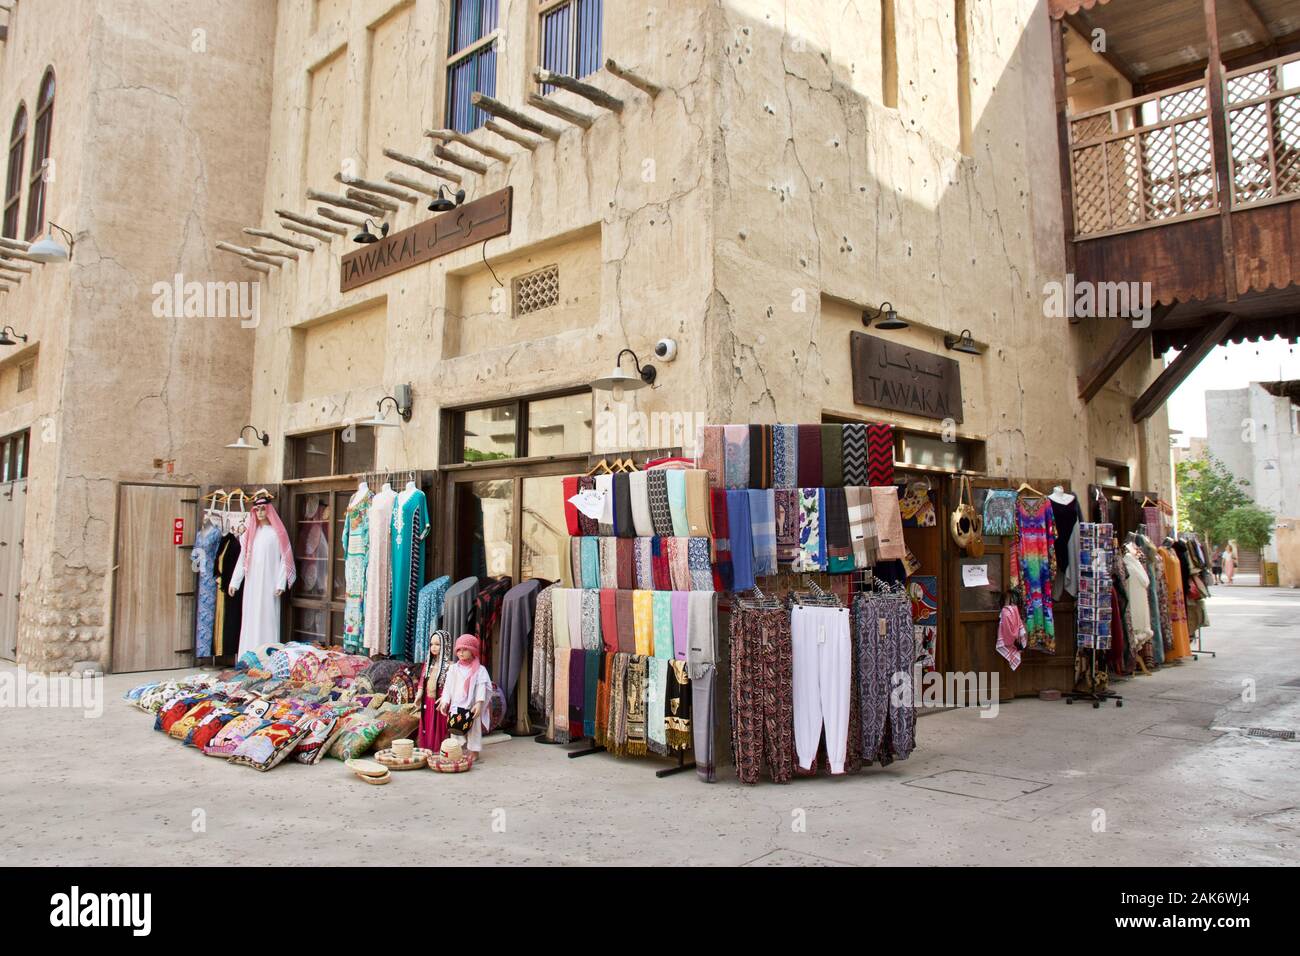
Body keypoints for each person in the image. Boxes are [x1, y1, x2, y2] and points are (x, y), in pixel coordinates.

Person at [437, 634, 492, 755]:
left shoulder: (480, 670)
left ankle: (474, 751)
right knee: (455, 727)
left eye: (465, 649)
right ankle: (456, 750)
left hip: (471, 705)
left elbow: (481, 687)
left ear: (473, 651)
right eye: (459, 650)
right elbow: (448, 686)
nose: (461, 653)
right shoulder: (453, 669)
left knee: (474, 728)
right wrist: (445, 700)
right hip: (456, 704)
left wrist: (479, 703)